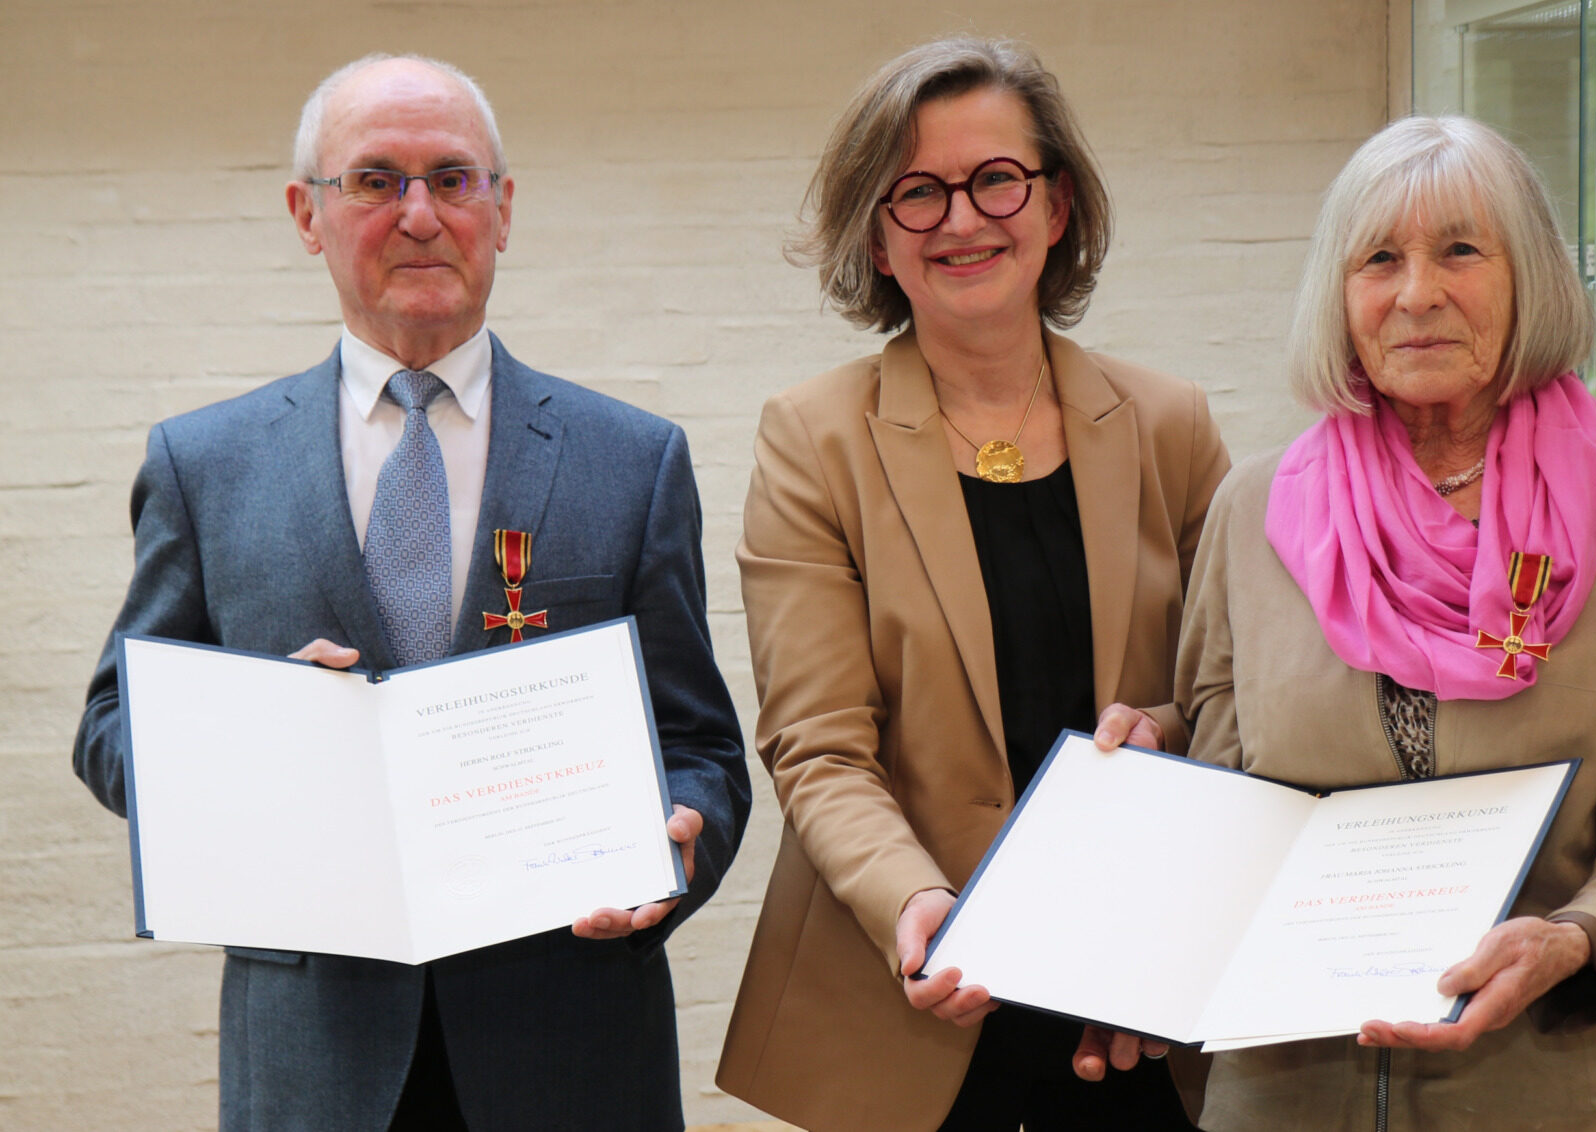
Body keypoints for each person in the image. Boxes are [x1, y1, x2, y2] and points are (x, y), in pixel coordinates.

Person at [72, 54, 750, 1132]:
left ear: (504, 207)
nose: (422, 214)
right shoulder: (208, 463)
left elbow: (703, 747)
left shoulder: (634, 460)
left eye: (454, 178)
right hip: (315, 1058)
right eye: (376, 181)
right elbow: (110, 728)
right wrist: (251, 731)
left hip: (569, 1045)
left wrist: (682, 841)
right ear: (307, 214)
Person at [1096, 114, 1596, 1129]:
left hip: (1555, 1084)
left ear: (1526, 275)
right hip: (1296, 1089)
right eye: (1380, 258)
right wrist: (1150, 762)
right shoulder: (1255, 509)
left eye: (1460, 251)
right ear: (1339, 295)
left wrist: (1573, 939)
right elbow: (1229, 774)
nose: (1417, 293)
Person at [714, 36, 1229, 1132]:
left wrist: (1171, 732)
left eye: (996, 178)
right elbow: (819, 740)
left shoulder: (1172, 426)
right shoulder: (813, 440)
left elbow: (1238, 704)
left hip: (1133, 997)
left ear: (1058, 207)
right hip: (919, 1004)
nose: (961, 218)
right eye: (917, 193)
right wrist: (916, 901)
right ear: (877, 239)